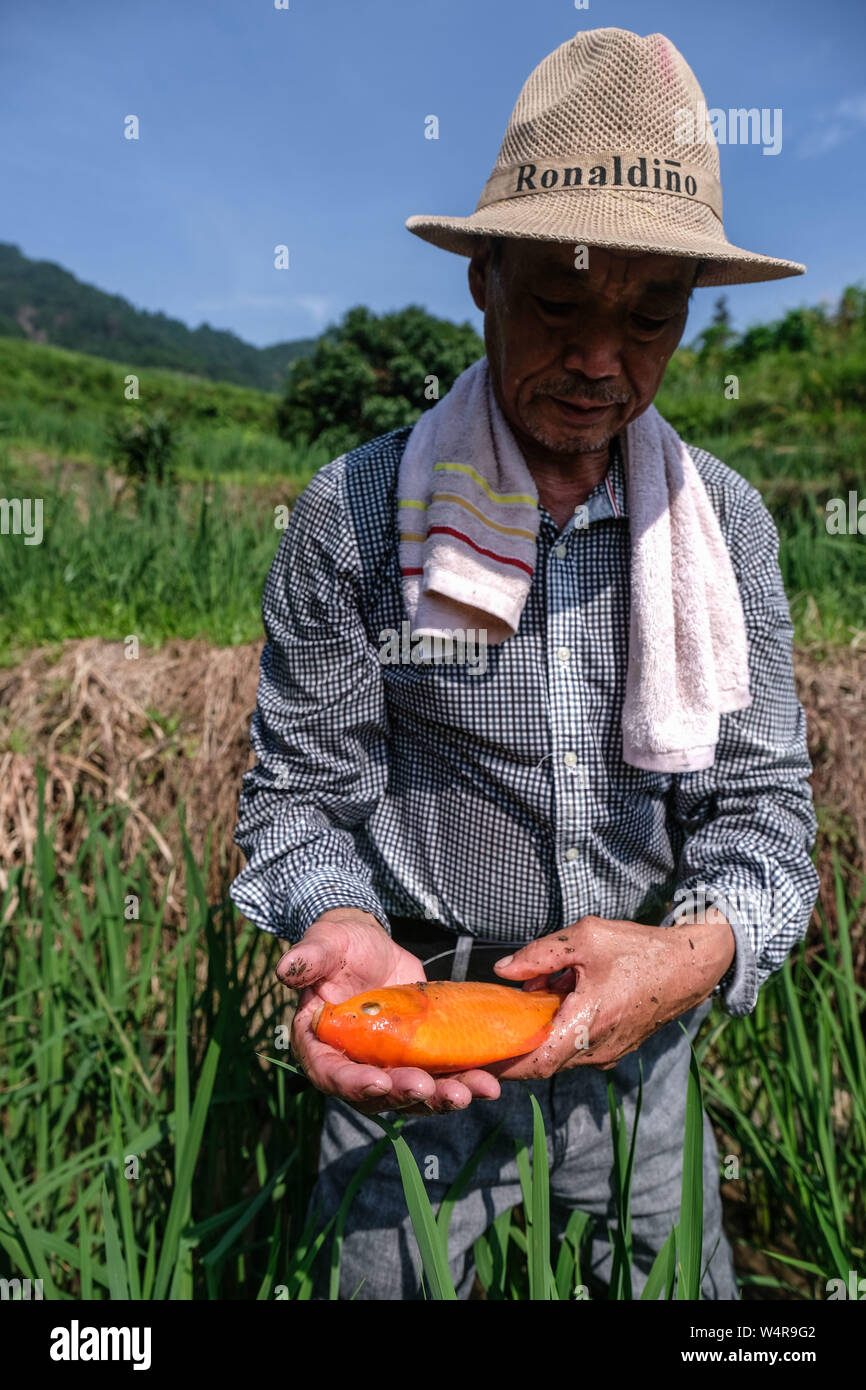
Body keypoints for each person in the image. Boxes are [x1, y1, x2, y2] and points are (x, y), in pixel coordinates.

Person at [230, 26, 820, 1299]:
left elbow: (763, 821)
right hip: (412, 1034)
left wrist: (688, 958)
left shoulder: (722, 530)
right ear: (482, 277)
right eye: (558, 303)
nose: (601, 359)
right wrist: (339, 923)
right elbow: (297, 800)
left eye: (650, 316)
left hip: (638, 1059)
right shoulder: (358, 514)